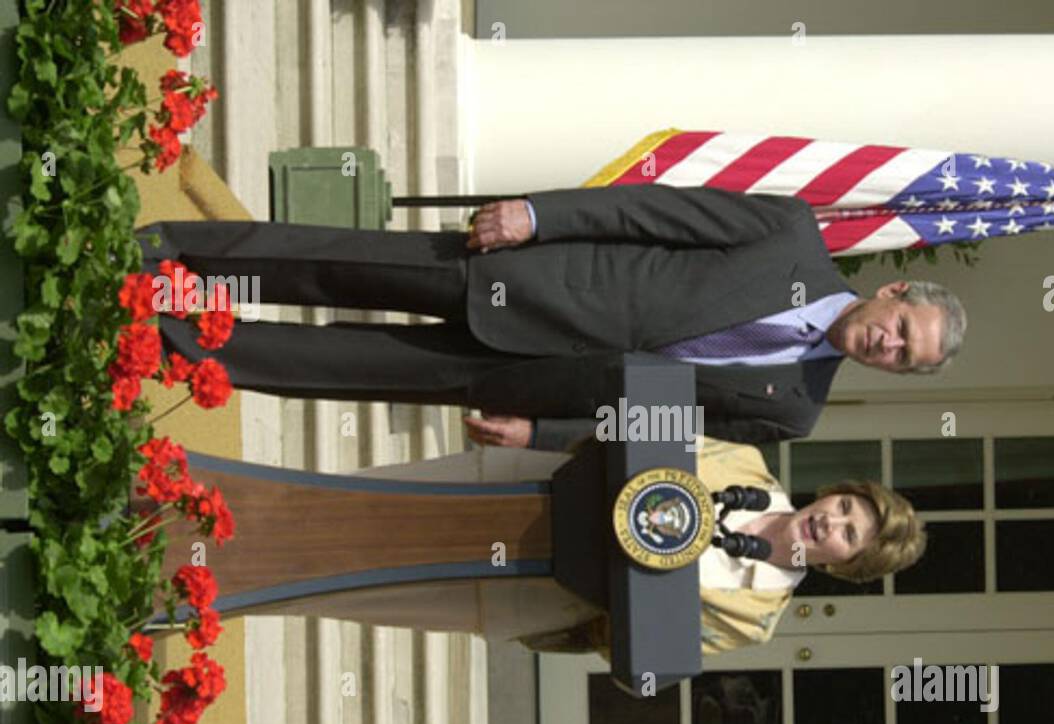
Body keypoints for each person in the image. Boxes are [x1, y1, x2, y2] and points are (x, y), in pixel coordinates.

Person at [139, 184, 969, 449]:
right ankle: (163, 257)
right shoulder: (789, 235)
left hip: (534, 381)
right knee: (330, 262)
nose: (888, 344)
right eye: (902, 328)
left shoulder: (794, 412)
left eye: (903, 357)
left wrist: (539, 435)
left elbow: (656, 429)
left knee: (339, 365)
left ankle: (165, 340)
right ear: (893, 292)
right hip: (527, 276)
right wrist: (540, 214)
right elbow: (653, 213)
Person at [516, 434, 926, 660]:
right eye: (843, 506)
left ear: (845, 565)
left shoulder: (753, 616)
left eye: (848, 534)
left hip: (546, 592)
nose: (829, 521)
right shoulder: (744, 462)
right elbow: (634, 435)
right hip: (539, 489)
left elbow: (635, 648)